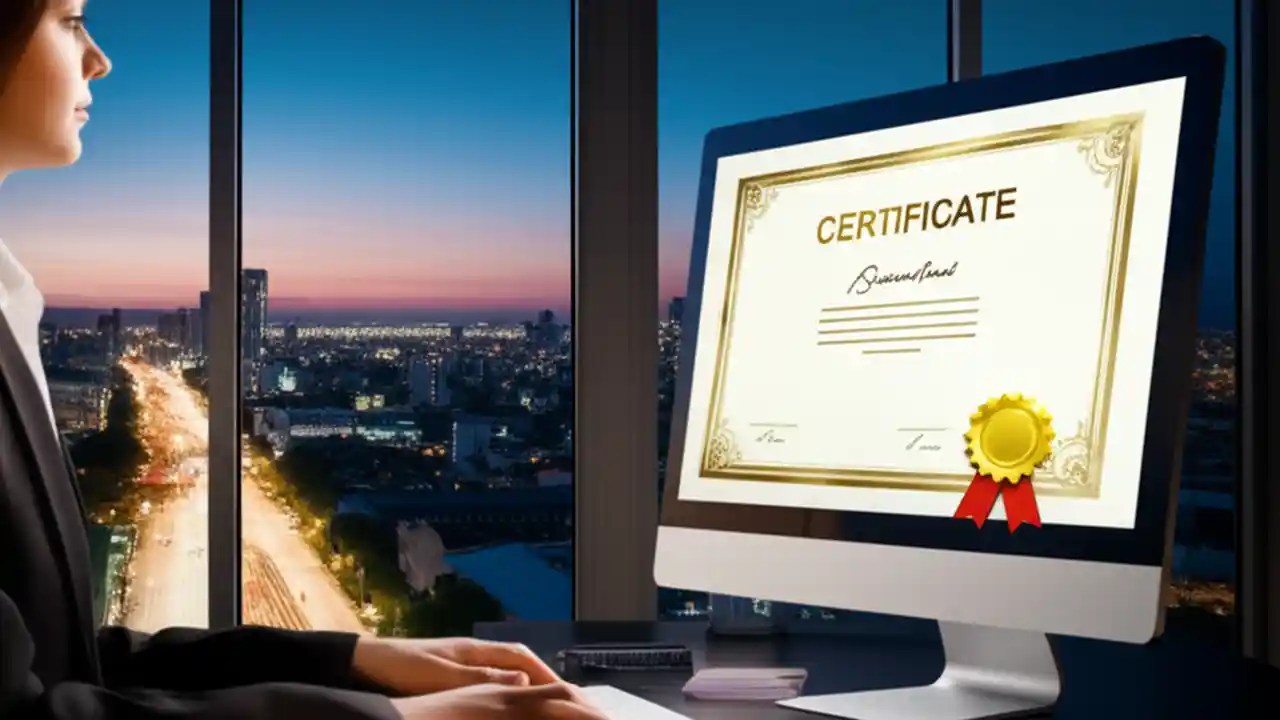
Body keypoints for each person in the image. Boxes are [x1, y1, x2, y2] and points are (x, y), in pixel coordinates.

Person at [0, 3, 607, 720]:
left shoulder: (12, 301)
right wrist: (404, 719)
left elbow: (68, 657)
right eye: (70, 19)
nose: (100, 57)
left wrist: (360, 660)